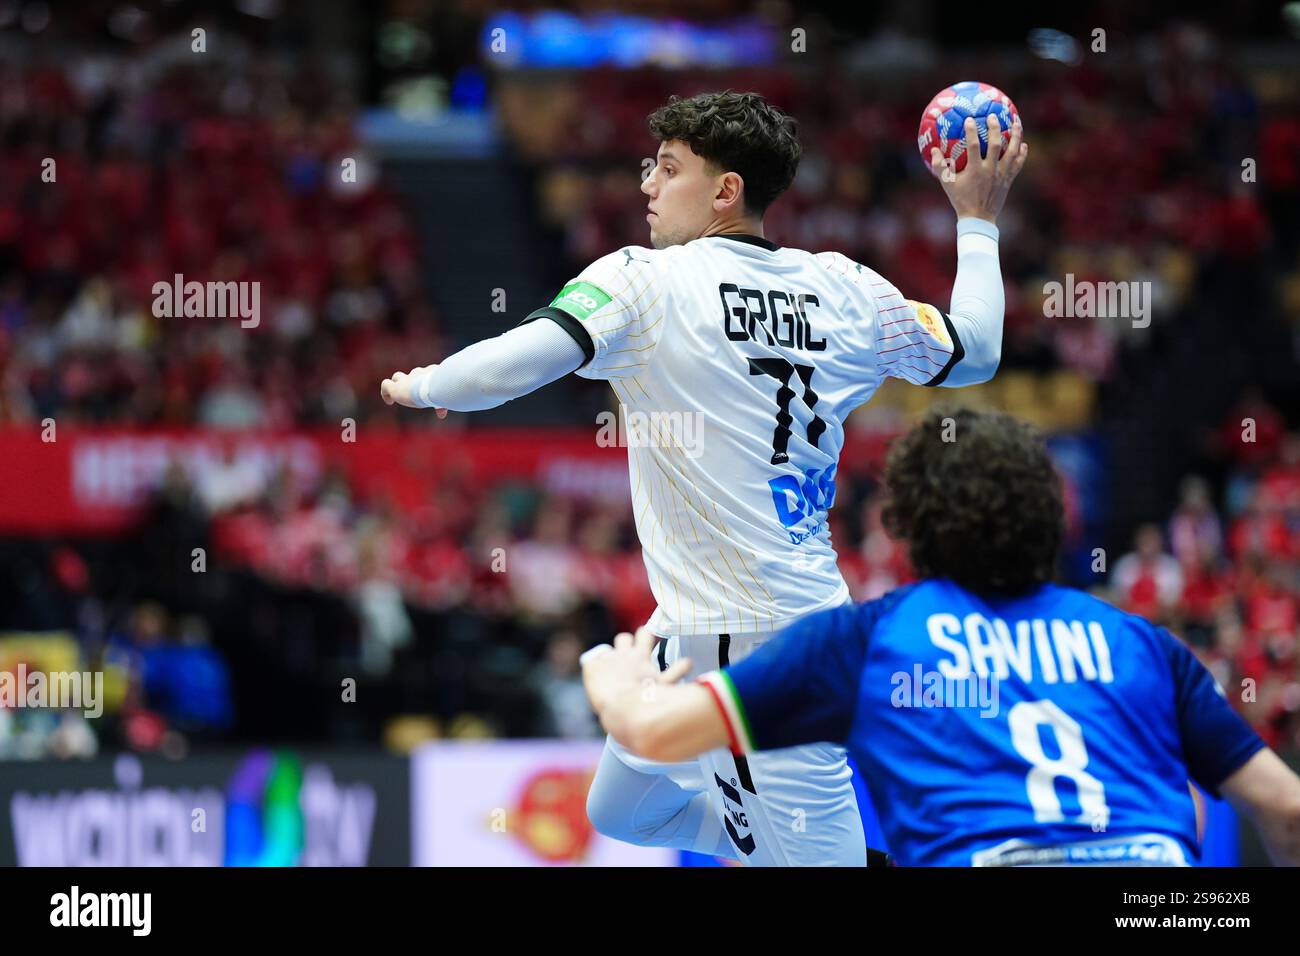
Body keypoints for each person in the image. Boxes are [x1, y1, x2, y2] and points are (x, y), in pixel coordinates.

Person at [381, 91, 1028, 865]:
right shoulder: (846, 288)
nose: (647, 184)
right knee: (622, 807)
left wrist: (427, 385)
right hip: (722, 623)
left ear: (726, 190)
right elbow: (976, 349)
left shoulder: (645, 280)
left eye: (668, 168)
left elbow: (513, 364)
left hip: (751, 640)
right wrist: (977, 218)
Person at [581, 409, 1300, 866]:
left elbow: (653, 734)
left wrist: (619, 683)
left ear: (909, 527)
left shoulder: (870, 641)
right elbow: (1288, 807)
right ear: (1054, 519)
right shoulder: (1143, 644)